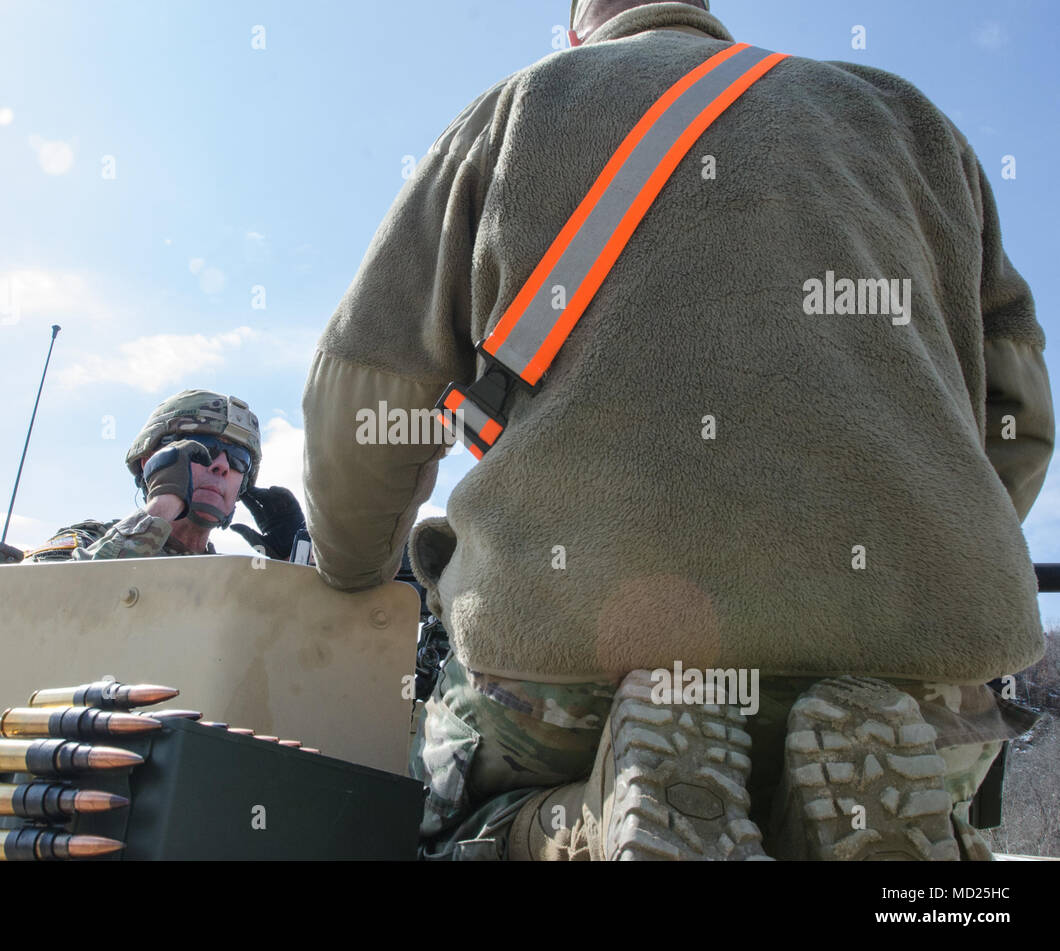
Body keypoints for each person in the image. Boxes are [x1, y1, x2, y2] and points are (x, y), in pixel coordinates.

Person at [301, 0, 1052, 860]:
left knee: (438, 815)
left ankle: (587, 816)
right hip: (927, 680)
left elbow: (363, 396)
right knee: (914, 789)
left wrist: (355, 570)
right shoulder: (910, 118)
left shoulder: (516, 108)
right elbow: (1017, 415)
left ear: (582, 26)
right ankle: (865, 821)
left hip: (574, 672)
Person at [27, 389, 305, 563]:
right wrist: (162, 507)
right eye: (204, 448)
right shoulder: (86, 542)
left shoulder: (233, 582)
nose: (220, 465)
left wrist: (298, 560)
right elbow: (53, 611)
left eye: (238, 460)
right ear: (152, 462)